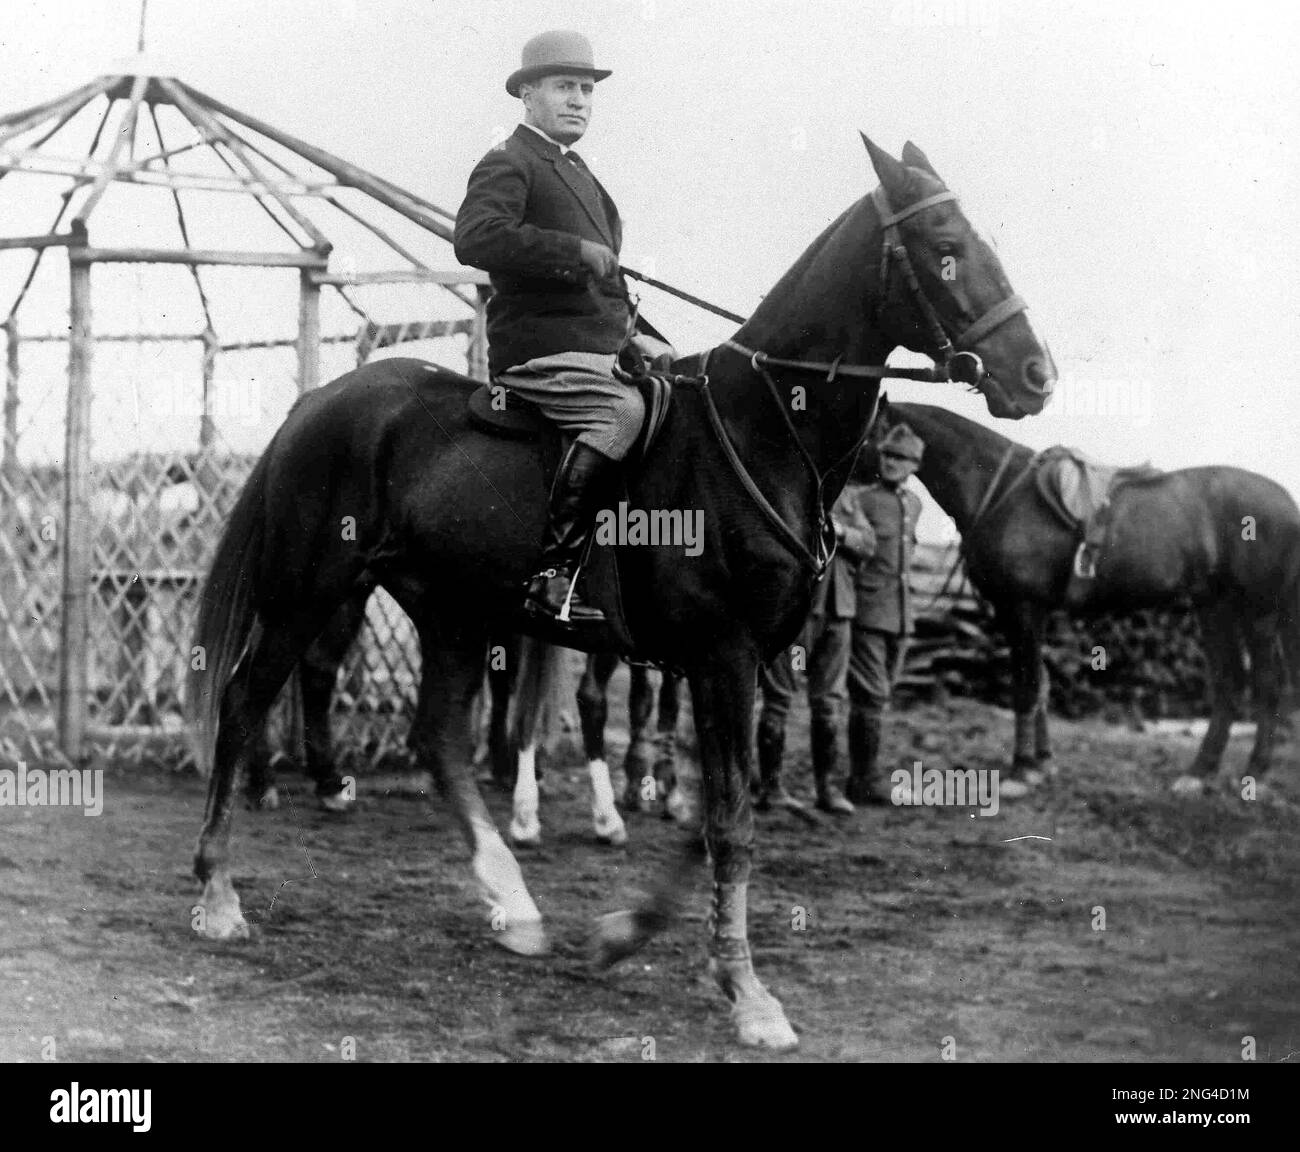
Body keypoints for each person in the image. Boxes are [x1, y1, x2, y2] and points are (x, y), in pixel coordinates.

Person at [454, 30, 639, 625]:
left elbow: (604, 282)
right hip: (542, 349)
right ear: (527, 94)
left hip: (595, 344)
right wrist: (572, 251)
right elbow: (476, 237)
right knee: (621, 414)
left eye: (587, 88)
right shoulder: (509, 160)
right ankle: (553, 576)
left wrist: (643, 333)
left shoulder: (579, 172)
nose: (580, 99)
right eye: (565, 87)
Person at [754, 484, 876, 815]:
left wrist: (839, 530)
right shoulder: (789, 485)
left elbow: (868, 543)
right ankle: (771, 787)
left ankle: (826, 788)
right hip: (797, 619)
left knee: (829, 703)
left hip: (838, 617)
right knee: (779, 699)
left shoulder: (848, 497)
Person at [846, 422, 925, 805]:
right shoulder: (862, 499)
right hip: (868, 610)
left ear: (914, 466)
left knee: (881, 694)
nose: (893, 463)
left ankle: (862, 774)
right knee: (871, 694)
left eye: (902, 458)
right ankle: (864, 778)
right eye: (888, 456)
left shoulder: (914, 505)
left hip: (900, 614)